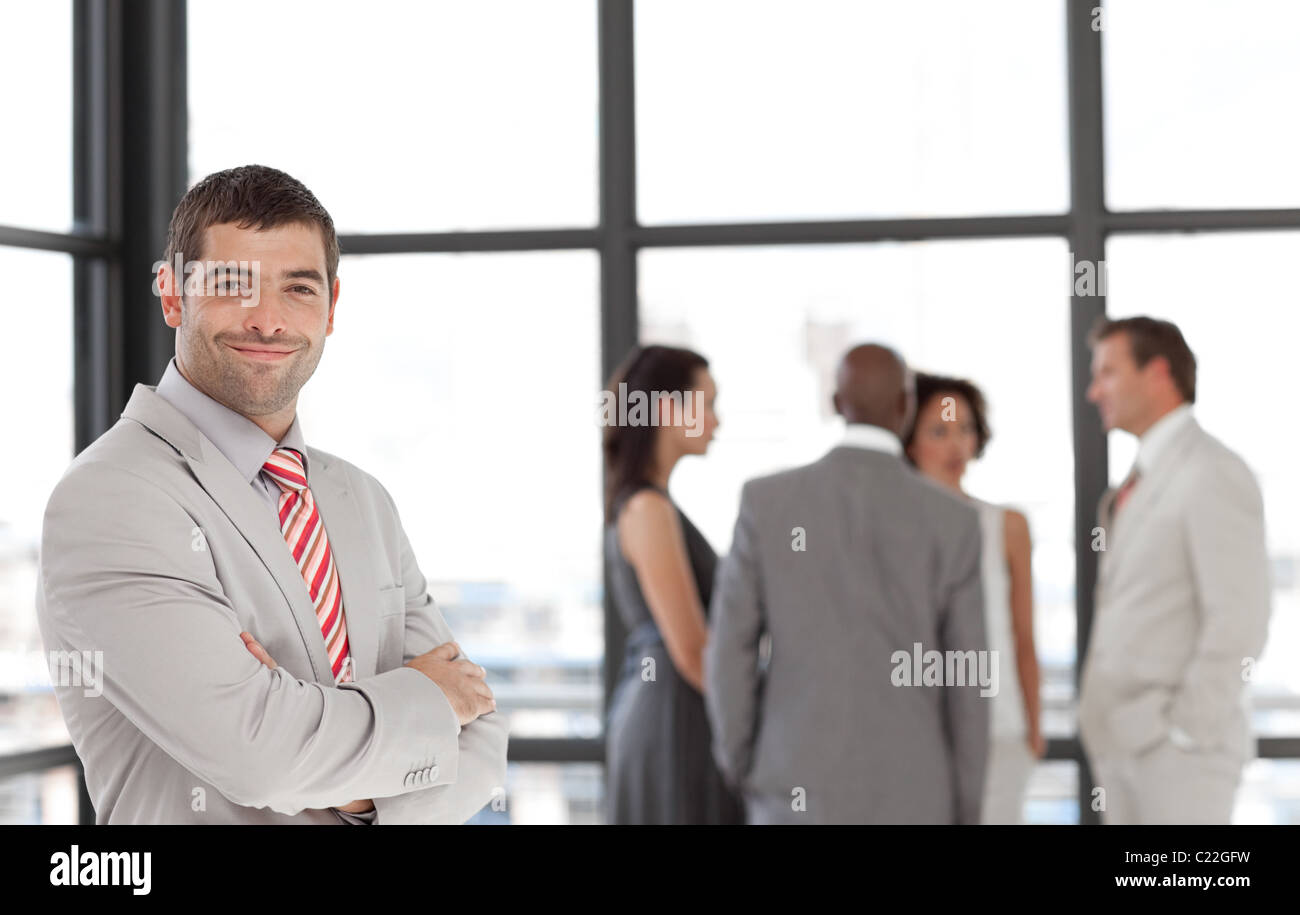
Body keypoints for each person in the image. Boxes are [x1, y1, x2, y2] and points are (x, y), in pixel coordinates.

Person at [35, 165, 508, 824]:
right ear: (173, 295)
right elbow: (263, 758)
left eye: (298, 288)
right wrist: (422, 711)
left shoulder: (364, 499)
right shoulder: (111, 498)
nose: (268, 320)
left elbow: (483, 742)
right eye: (233, 285)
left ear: (331, 307)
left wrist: (318, 756)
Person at [706, 343, 988, 824]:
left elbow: (730, 649)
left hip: (790, 788)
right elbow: (968, 675)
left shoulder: (767, 503)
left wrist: (744, 763)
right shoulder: (953, 521)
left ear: (837, 404)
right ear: (906, 406)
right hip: (917, 793)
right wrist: (963, 799)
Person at [1079, 315, 1271, 824]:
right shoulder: (1137, 481)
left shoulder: (1212, 472)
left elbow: (1241, 617)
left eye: (1107, 373)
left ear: (1157, 373)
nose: (1094, 391)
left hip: (1179, 755)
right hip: (1124, 745)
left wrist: (1185, 729)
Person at [602, 344, 743, 824]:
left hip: (673, 714)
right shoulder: (648, 509)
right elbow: (691, 649)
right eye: (707, 403)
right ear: (667, 408)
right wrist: (760, 719)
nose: (716, 421)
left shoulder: (650, 504)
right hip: (670, 721)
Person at [902, 372, 1043, 824]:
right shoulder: (891, 530)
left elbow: (1023, 637)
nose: (955, 446)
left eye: (965, 429)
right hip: (916, 735)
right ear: (909, 440)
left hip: (999, 732)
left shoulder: (1006, 525)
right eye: (939, 431)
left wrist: (1032, 730)